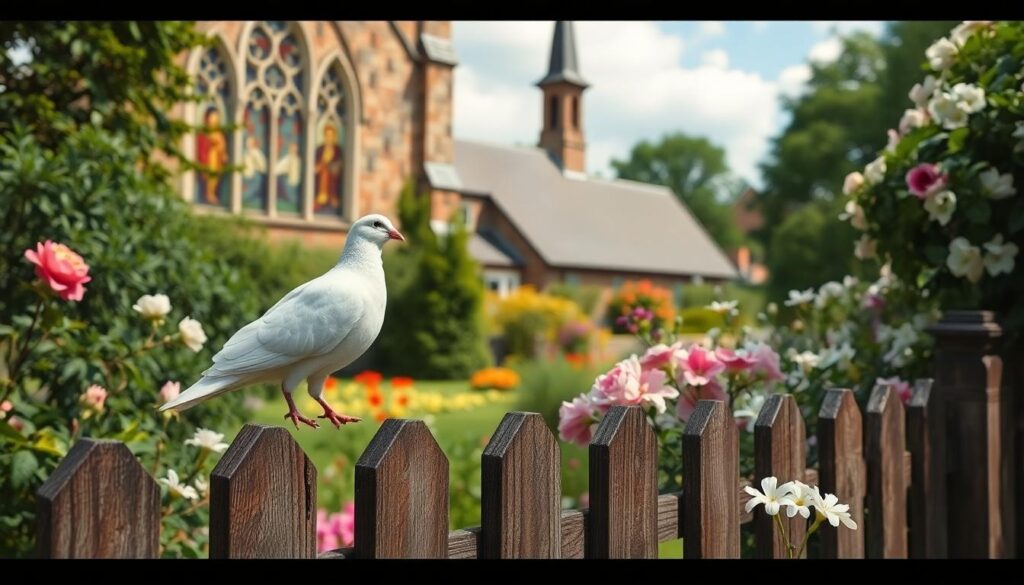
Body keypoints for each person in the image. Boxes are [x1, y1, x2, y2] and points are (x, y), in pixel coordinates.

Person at [195, 108, 228, 205]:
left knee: (215, 177)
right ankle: (208, 194)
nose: (214, 120)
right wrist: (211, 144)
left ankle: (213, 194)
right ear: (207, 118)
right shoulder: (204, 132)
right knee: (209, 176)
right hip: (208, 158)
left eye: (216, 117)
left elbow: (223, 145)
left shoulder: (219, 133)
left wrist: (223, 152)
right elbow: (201, 144)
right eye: (212, 117)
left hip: (217, 159)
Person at [314, 123, 344, 210]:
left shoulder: (338, 150)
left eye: (331, 136)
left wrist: (331, 165)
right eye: (327, 135)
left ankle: (333, 199)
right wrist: (323, 163)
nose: (329, 138)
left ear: (334, 136)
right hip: (320, 179)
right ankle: (321, 197)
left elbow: (339, 165)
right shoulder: (320, 149)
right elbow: (315, 167)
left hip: (333, 178)